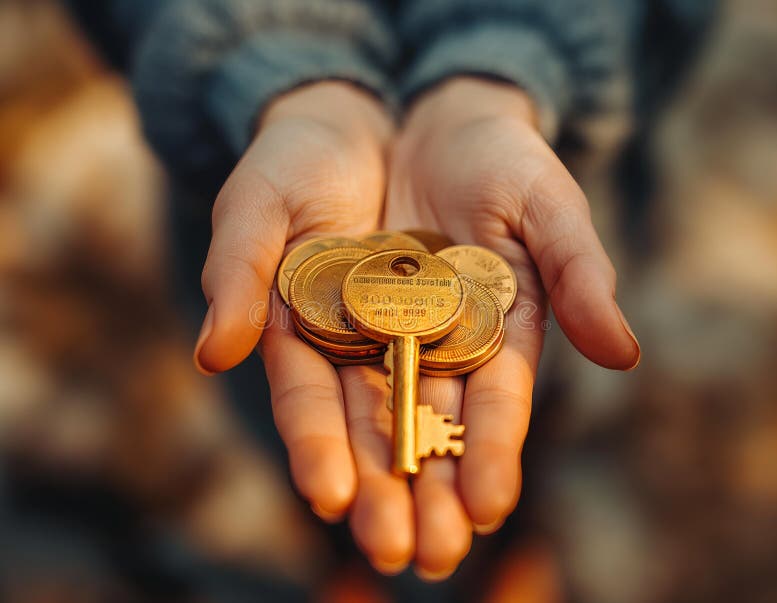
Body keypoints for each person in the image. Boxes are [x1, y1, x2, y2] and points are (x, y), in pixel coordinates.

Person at [66, 0, 711, 581]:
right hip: (249, 153)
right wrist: (278, 71)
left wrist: (510, 62)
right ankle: (349, 553)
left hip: (550, 167)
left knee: (532, 412)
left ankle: (510, 547)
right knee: (310, 441)